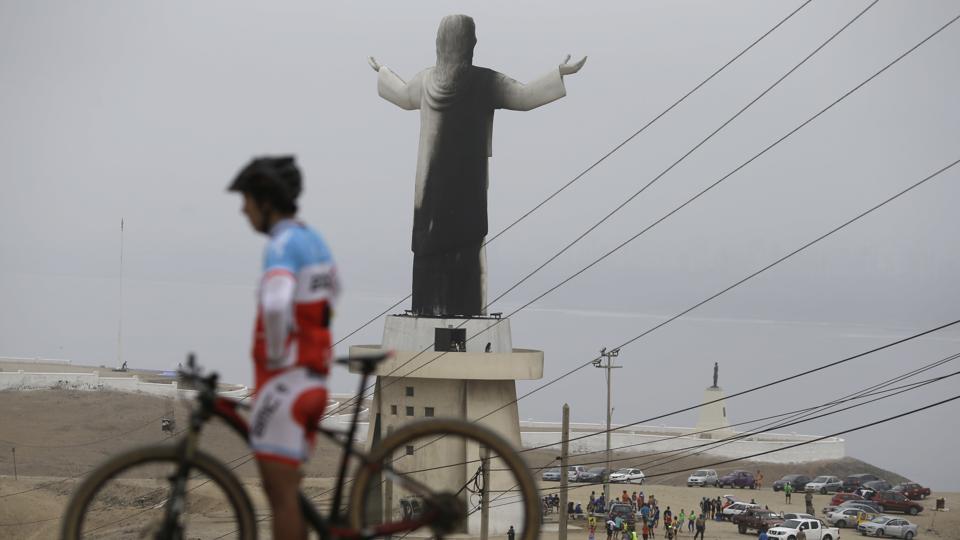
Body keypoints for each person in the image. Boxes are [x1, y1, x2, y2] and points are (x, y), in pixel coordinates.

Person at [229, 156, 340, 539]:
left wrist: (277, 355)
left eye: (246, 199)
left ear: (266, 201)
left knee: (281, 498)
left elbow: (277, 302)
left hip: (285, 383)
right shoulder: (313, 239)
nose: (242, 208)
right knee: (288, 492)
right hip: (313, 378)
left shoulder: (281, 244)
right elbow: (333, 293)